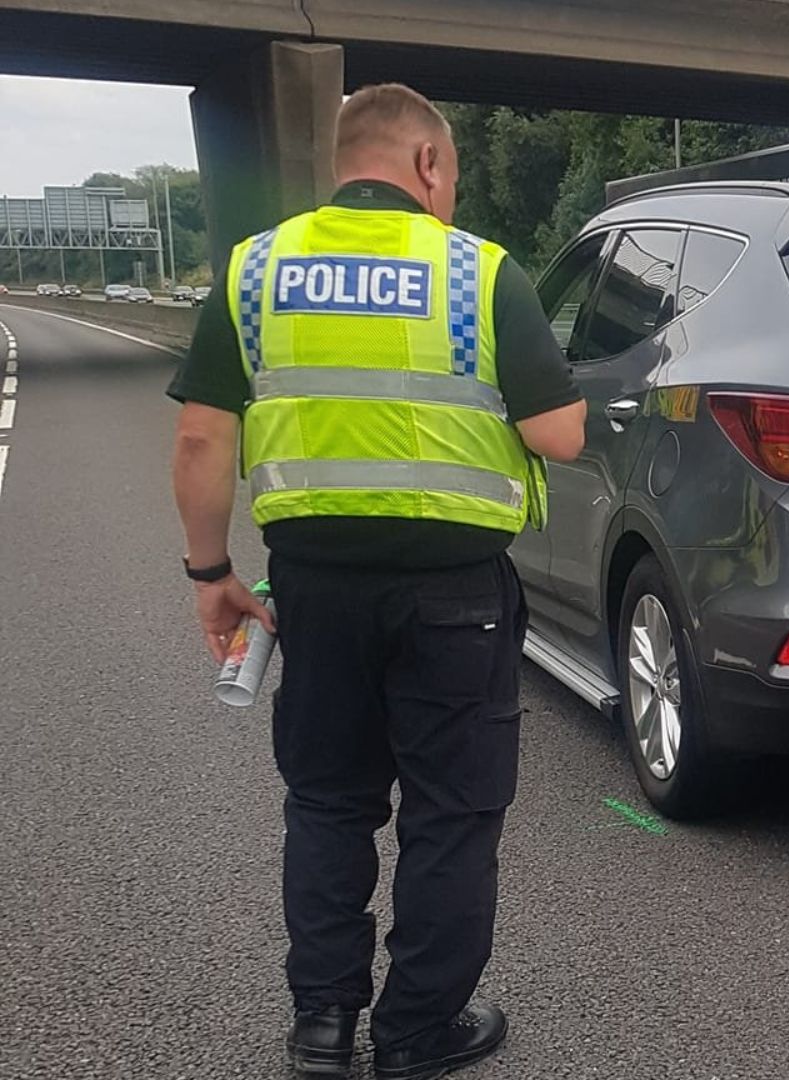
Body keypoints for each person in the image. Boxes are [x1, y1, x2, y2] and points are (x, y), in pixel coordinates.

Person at [168, 83, 585, 1080]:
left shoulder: (254, 271)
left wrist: (210, 572)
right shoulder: (479, 271)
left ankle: (322, 1023)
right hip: (456, 598)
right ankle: (417, 1031)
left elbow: (198, 435)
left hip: (311, 589)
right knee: (450, 814)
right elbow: (557, 435)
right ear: (432, 165)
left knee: (326, 801)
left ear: (342, 164)